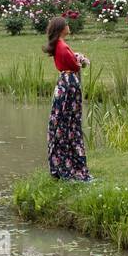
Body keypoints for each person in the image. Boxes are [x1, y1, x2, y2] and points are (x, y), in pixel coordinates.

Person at [44, 15, 92, 182]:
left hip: (63, 82)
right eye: (66, 24)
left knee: (62, 121)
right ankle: (71, 167)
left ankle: (61, 165)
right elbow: (74, 65)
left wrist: (76, 57)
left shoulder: (58, 45)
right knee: (69, 123)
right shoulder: (63, 47)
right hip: (69, 84)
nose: (68, 26)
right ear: (61, 28)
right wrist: (81, 60)